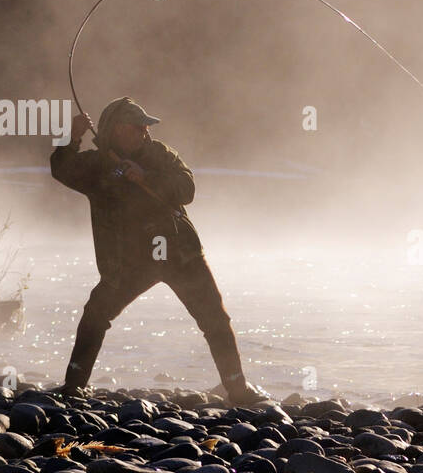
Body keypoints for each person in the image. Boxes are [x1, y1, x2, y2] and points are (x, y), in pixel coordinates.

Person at [49, 96, 268, 406]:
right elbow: (62, 170)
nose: (144, 132)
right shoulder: (98, 166)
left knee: (214, 318)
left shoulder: (161, 155)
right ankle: (73, 388)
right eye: (137, 127)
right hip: (129, 262)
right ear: (117, 130)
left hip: (180, 254)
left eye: (145, 127)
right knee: (95, 315)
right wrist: (70, 136)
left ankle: (238, 390)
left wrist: (146, 177)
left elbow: (187, 188)